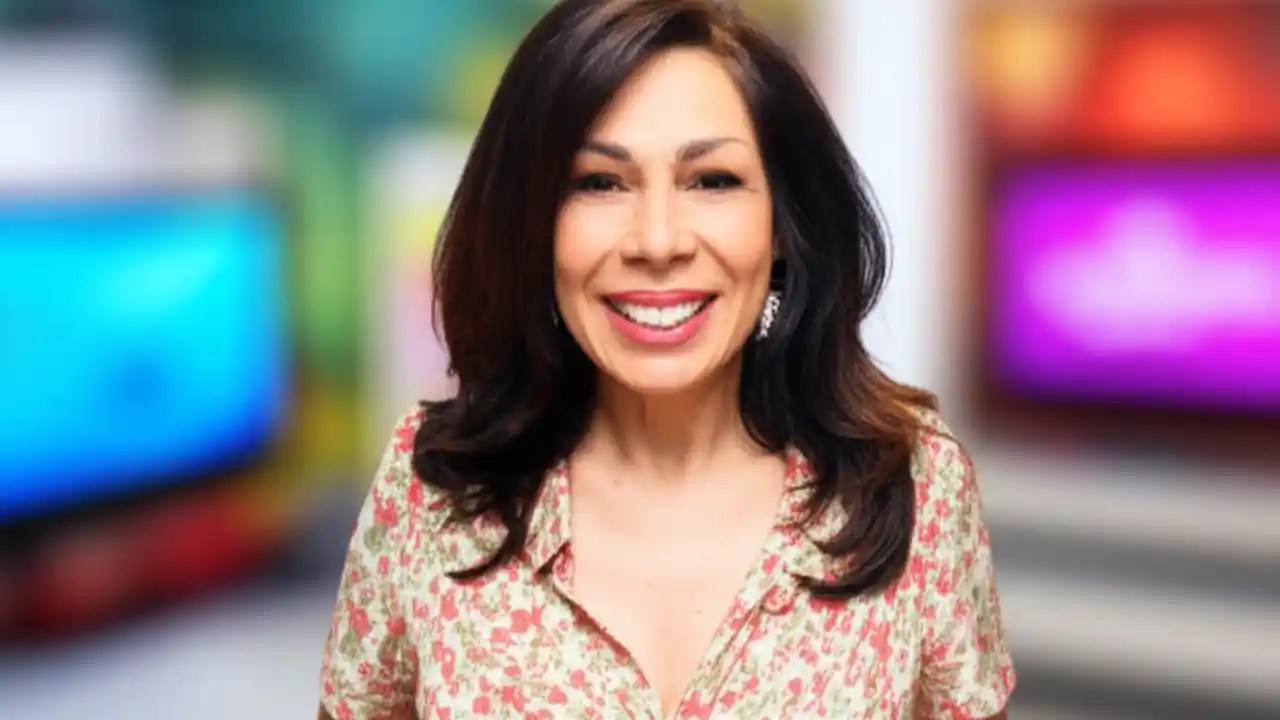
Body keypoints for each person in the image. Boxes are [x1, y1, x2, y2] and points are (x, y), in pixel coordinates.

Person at [318, 0, 1015, 718]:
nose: (657, 241)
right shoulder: (430, 488)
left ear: (781, 225)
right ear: (534, 226)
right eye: (599, 183)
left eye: (712, 180)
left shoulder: (913, 488)